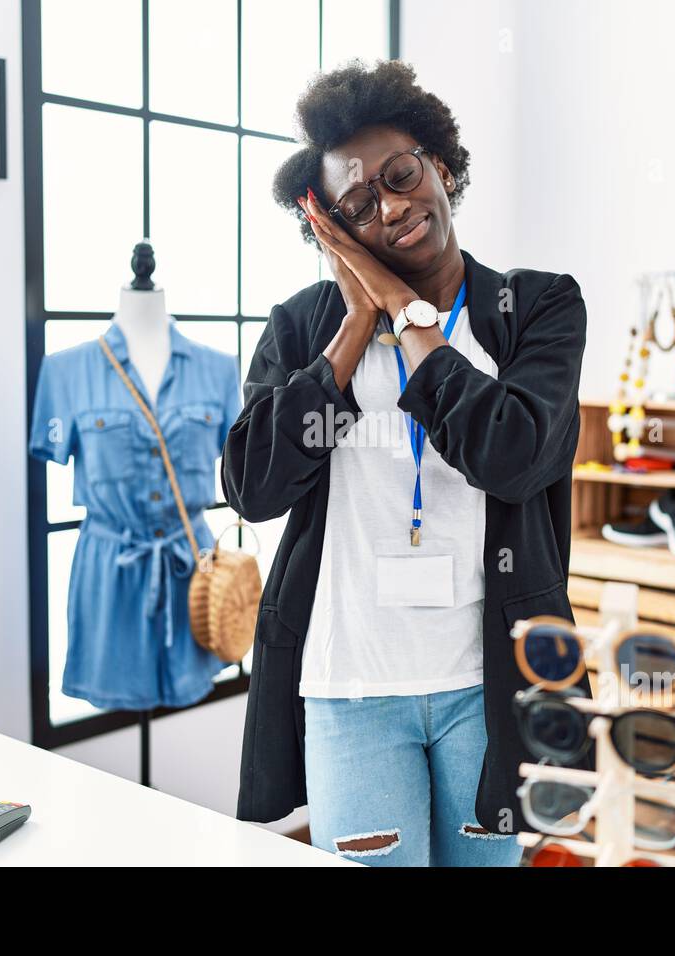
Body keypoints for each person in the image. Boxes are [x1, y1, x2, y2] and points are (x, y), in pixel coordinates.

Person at [222, 59, 591, 866]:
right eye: (359, 206)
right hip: (353, 688)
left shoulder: (536, 308)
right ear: (338, 231)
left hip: (487, 689)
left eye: (400, 175)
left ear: (441, 167)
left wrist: (409, 316)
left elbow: (514, 455)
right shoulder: (304, 327)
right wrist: (354, 331)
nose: (392, 207)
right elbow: (252, 486)